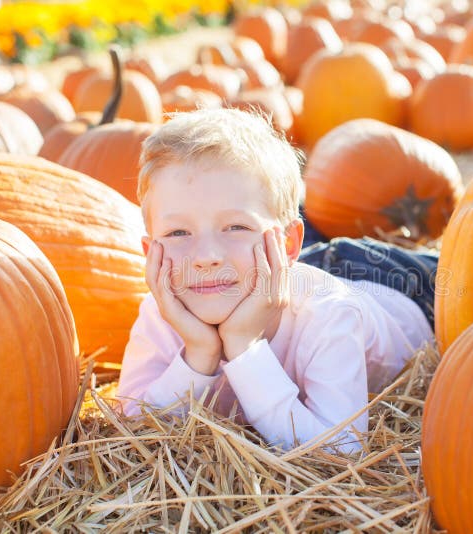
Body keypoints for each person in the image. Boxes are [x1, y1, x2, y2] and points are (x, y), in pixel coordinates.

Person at [117, 108, 437, 453]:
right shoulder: (161, 310)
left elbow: (341, 450)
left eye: (235, 226)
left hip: (392, 281)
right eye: (178, 232)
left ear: (286, 245)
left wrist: (243, 345)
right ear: (151, 252)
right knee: (264, 217)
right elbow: (131, 428)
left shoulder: (329, 318)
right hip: (257, 270)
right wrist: (198, 353)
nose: (204, 256)